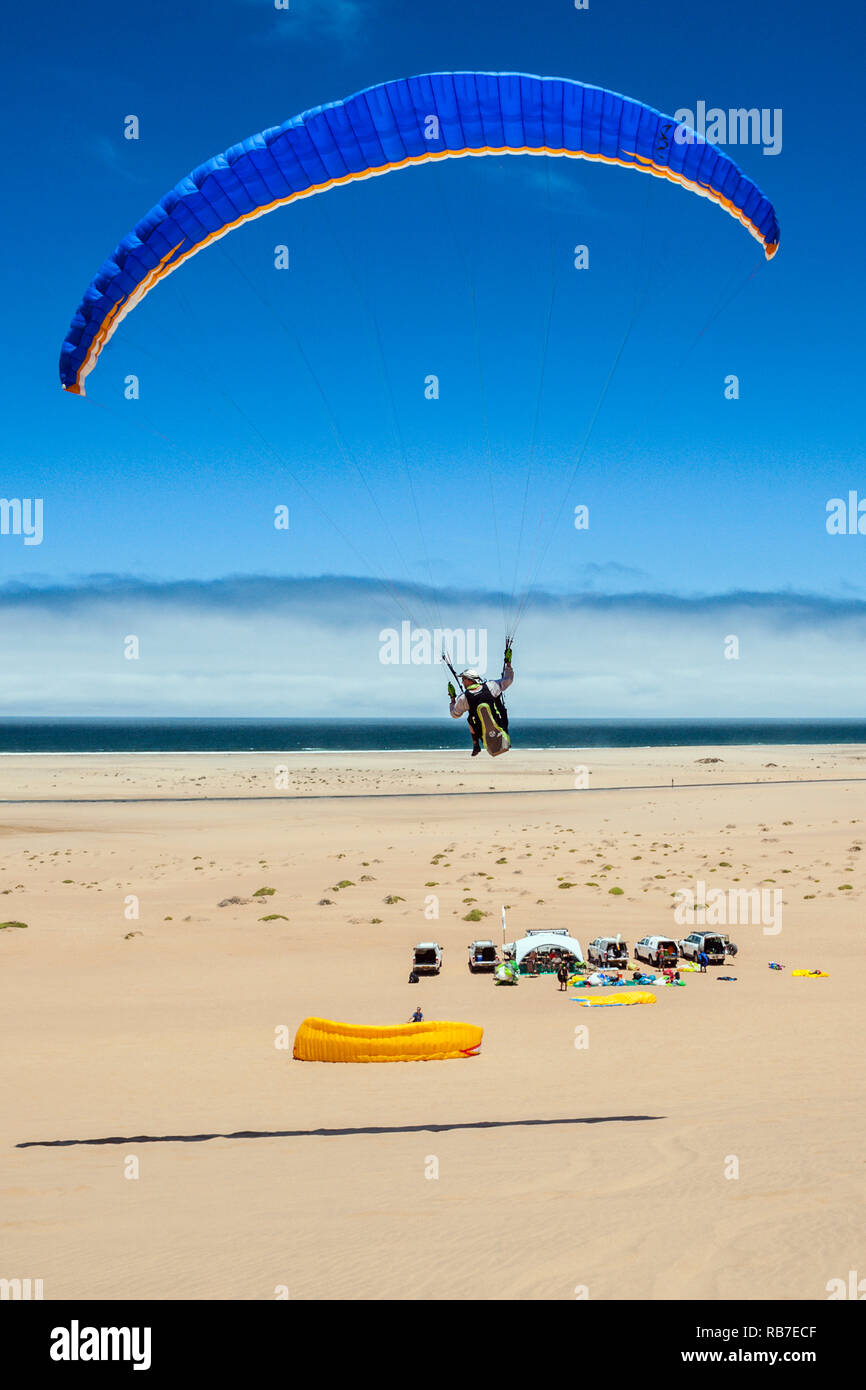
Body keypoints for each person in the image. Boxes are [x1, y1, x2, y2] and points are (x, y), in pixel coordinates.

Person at [448, 644, 514, 756]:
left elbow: (454, 714)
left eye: (464, 679)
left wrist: (453, 698)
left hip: (482, 734)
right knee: (498, 703)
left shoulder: (464, 698)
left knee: (470, 719)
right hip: (500, 725)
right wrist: (508, 663)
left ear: (470, 680)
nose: (463, 682)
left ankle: (476, 745)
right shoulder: (491, 686)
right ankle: (503, 733)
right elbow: (508, 679)